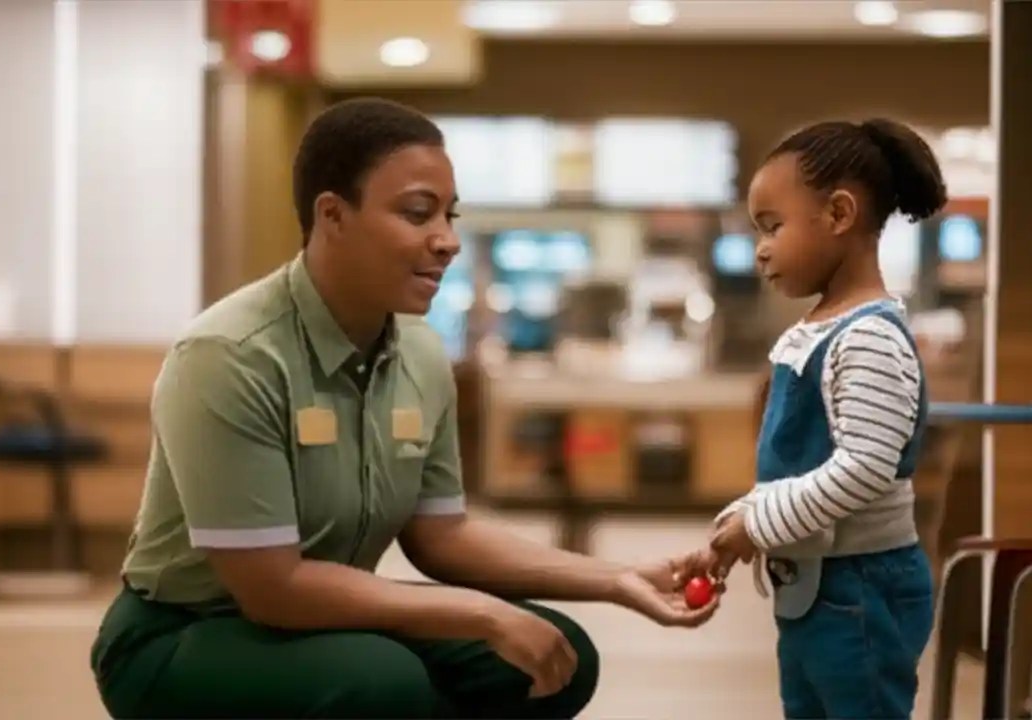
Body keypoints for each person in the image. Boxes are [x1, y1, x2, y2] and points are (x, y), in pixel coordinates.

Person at [89, 97, 721, 720]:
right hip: (184, 634)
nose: (446, 240)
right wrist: (482, 612)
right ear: (333, 215)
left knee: (558, 657)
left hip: (328, 620)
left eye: (449, 215)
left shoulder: (418, 352)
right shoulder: (230, 356)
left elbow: (442, 536)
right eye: (418, 214)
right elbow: (272, 588)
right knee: (384, 682)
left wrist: (617, 579)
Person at [706, 118, 947, 719]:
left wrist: (759, 526)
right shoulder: (816, 330)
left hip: (861, 588)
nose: (760, 248)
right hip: (816, 584)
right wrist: (740, 520)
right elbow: (796, 469)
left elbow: (865, 468)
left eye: (772, 226)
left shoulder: (866, 336)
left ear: (839, 214)